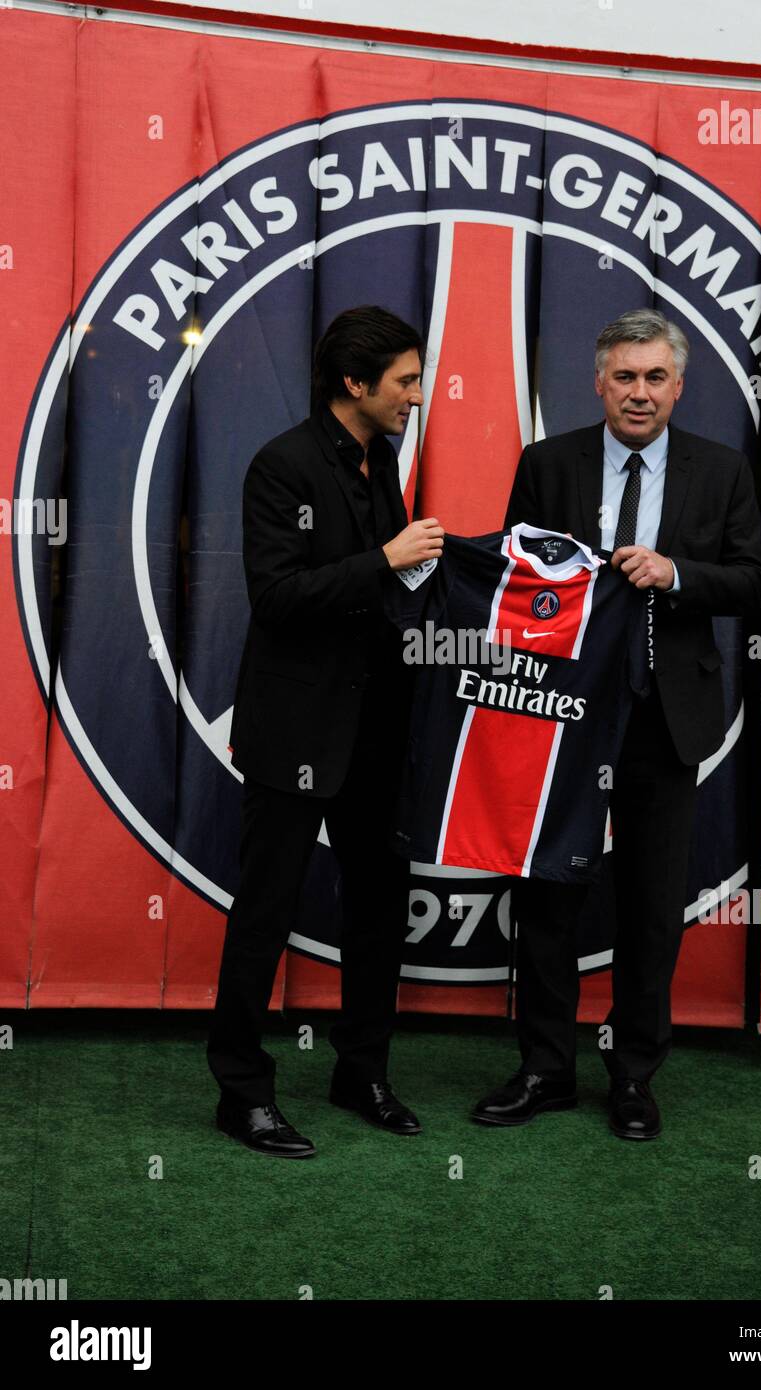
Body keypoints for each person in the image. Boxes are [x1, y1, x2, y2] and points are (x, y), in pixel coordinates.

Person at [472, 307, 761, 1140]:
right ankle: (544, 1068)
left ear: (679, 385)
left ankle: (635, 1075)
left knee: (650, 902)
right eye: (625, 377)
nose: (639, 393)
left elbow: (753, 582)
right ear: (598, 382)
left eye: (655, 377)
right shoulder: (546, 463)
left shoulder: (723, 472)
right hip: (562, 714)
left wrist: (675, 574)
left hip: (666, 717)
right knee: (547, 895)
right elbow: (511, 580)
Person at [207, 305, 444, 1158]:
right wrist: (386, 559)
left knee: (380, 904)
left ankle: (361, 1072)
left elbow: (378, 594)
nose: (418, 395)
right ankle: (240, 1091)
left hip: (377, 724)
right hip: (294, 727)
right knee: (266, 908)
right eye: (406, 381)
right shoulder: (281, 465)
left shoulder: (382, 457)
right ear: (356, 383)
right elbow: (276, 598)